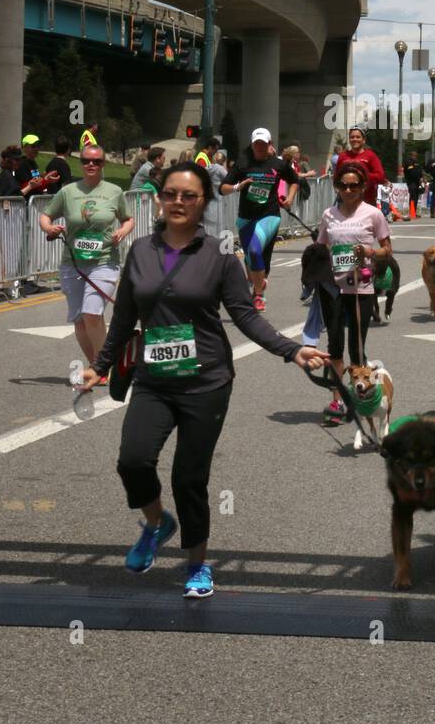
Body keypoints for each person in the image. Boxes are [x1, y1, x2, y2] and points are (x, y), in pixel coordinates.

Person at [79, 161, 328, 599]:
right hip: (154, 379)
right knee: (132, 461)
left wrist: (292, 349)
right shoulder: (139, 251)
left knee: (188, 479)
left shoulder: (219, 256)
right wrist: (99, 365)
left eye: (188, 196)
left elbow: (246, 316)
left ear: (203, 203)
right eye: (171, 193)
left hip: (206, 381)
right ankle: (157, 523)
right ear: (159, 199)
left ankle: (197, 564)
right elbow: (123, 319)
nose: (178, 202)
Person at [38, 143, 135, 372]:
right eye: (86, 161)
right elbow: (45, 215)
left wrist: (122, 231)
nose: (91, 164)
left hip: (104, 261)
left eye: (97, 161)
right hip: (72, 264)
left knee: (92, 313)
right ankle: (96, 366)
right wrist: (48, 228)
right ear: (80, 163)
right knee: (80, 319)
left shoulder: (114, 191)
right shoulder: (68, 192)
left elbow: (128, 219)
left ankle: (102, 366)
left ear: (103, 164)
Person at [315, 159, 392, 424]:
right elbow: (321, 248)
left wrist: (369, 251)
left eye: (354, 186)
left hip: (361, 287)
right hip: (334, 289)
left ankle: (361, 399)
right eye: (342, 185)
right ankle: (338, 400)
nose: (348, 190)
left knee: (357, 349)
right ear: (336, 186)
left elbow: (387, 250)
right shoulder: (328, 215)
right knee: (335, 347)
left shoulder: (373, 214)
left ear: (363, 187)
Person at [220, 128, 299, 310]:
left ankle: (258, 295)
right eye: (257, 143)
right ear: (252, 144)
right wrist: (238, 186)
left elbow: (294, 179)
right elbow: (222, 188)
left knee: (255, 251)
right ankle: (258, 282)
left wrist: (290, 198)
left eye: (264, 144)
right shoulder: (243, 164)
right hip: (246, 218)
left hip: (269, 215)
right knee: (249, 257)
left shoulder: (277, 165)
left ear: (269, 144)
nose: (260, 147)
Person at [334, 127, 386, 206]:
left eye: (358, 137)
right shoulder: (343, 156)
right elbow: (336, 176)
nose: (355, 139)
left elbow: (381, 177)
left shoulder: (370, 155)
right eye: (352, 137)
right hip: (345, 201)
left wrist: (363, 174)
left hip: (366, 201)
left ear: (363, 140)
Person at [403, 150, 424, 221]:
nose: (415, 157)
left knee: (416, 197)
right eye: (413, 155)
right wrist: (418, 177)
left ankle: (414, 211)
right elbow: (412, 173)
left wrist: (421, 177)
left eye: (416, 155)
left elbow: (420, 170)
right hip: (411, 182)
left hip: (417, 182)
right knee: (412, 196)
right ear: (410, 155)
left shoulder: (417, 162)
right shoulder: (408, 162)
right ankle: (412, 212)